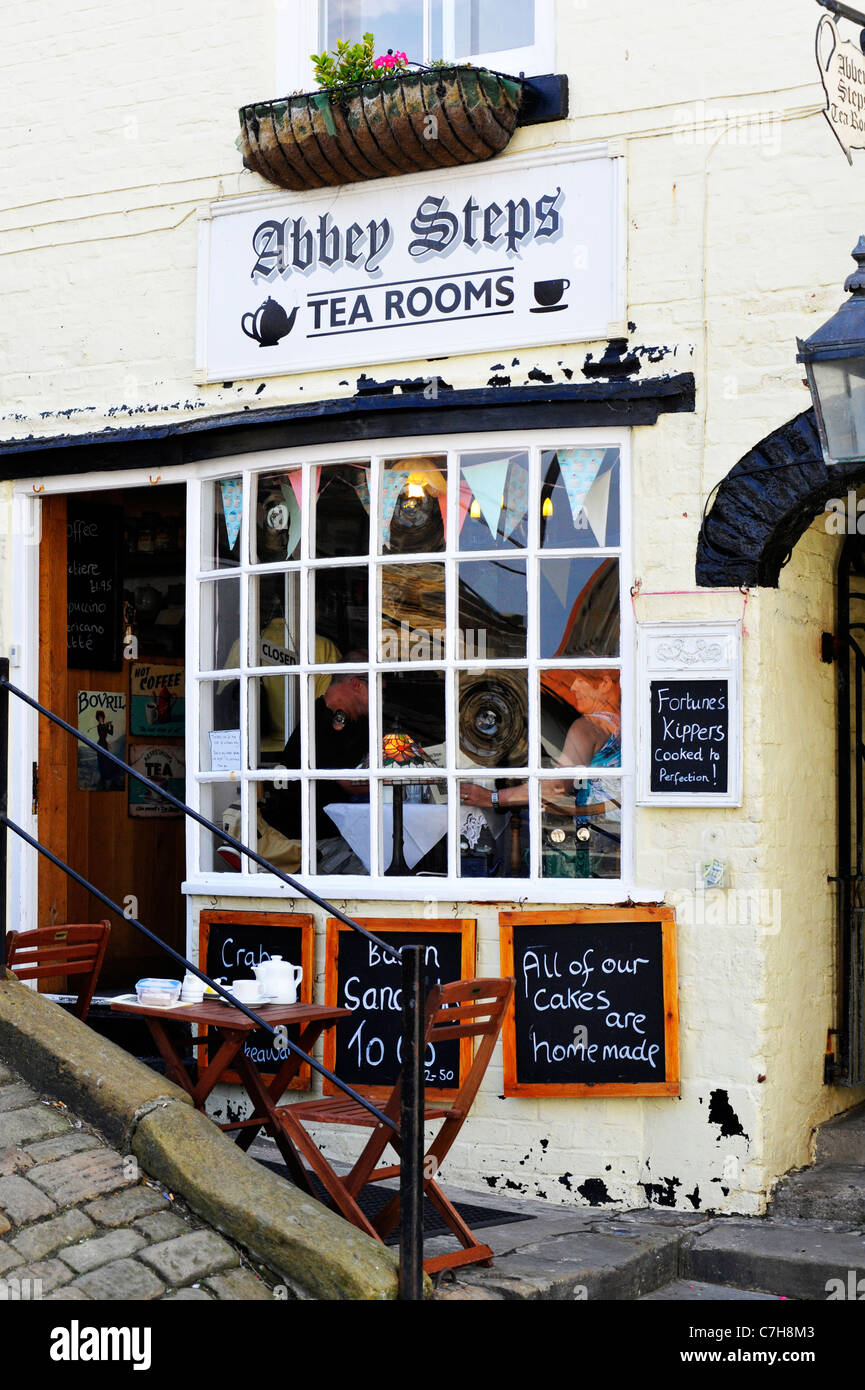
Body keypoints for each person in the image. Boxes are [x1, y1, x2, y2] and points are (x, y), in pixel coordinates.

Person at [459, 671, 621, 876]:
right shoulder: (626, 724)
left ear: (605, 683)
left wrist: (492, 797)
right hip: (623, 834)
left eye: (579, 680)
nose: (572, 688)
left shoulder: (588, 727)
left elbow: (557, 787)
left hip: (597, 838)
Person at [258, 660, 370, 874]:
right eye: (378, 688)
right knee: (375, 871)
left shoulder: (345, 722)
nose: (381, 699)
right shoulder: (322, 724)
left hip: (329, 834)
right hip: (313, 842)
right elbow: (350, 783)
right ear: (356, 684)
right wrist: (398, 782)